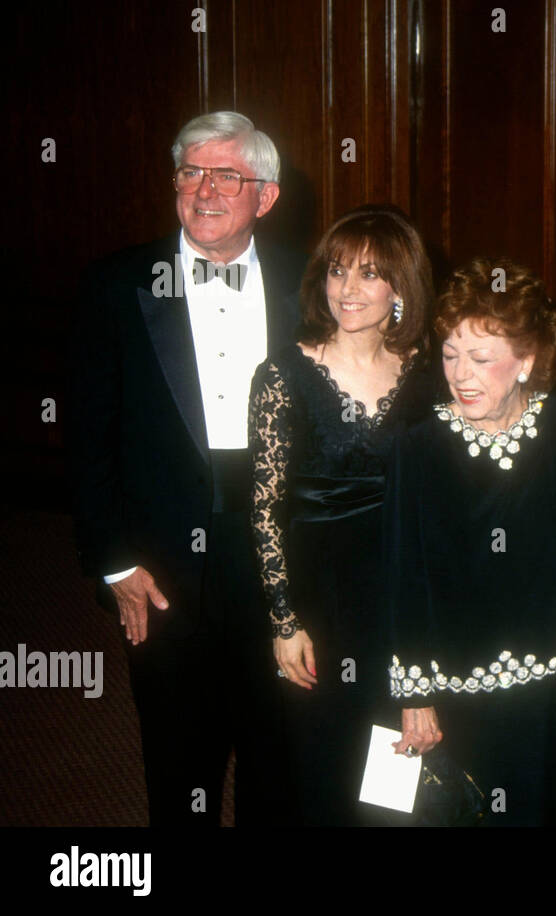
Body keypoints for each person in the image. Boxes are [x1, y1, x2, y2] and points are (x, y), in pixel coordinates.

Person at [69, 111, 303, 825]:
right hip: (162, 563)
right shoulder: (116, 284)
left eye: (226, 175)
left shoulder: (316, 281)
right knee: (178, 761)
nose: (204, 190)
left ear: (265, 195)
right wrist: (113, 562)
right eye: (191, 171)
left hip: (281, 553)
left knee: (283, 750)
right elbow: (87, 435)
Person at [383, 257, 556, 826]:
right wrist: (414, 692)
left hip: (555, 669)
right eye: (449, 354)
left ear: (527, 361)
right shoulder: (417, 447)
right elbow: (402, 571)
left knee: (552, 809)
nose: (461, 374)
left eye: (482, 358)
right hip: (458, 680)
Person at [248, 204, 440, 826]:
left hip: (400, 597)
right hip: (318, 598)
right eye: (337, 271)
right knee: (320, 761)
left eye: (369, 274)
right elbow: (264, 507)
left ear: (401, 288)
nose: (347, 290)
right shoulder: (283, 375)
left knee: (393, 767)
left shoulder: (431, 375)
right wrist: (283, 618)